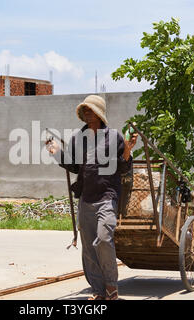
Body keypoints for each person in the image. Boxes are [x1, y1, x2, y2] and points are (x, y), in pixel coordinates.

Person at [46, 95, 138, 300]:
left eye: (90, 110)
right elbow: (74, 166)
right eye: (84, 111)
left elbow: (124, 168)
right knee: (88, 247)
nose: (87, 114)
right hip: (86, 197)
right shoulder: (78, 139)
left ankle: (111, 287)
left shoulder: (114, 137)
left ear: (99, 113)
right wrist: (56, 153)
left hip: (107, 196)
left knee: (104, 239)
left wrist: (128, 151)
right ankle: (98, 289)